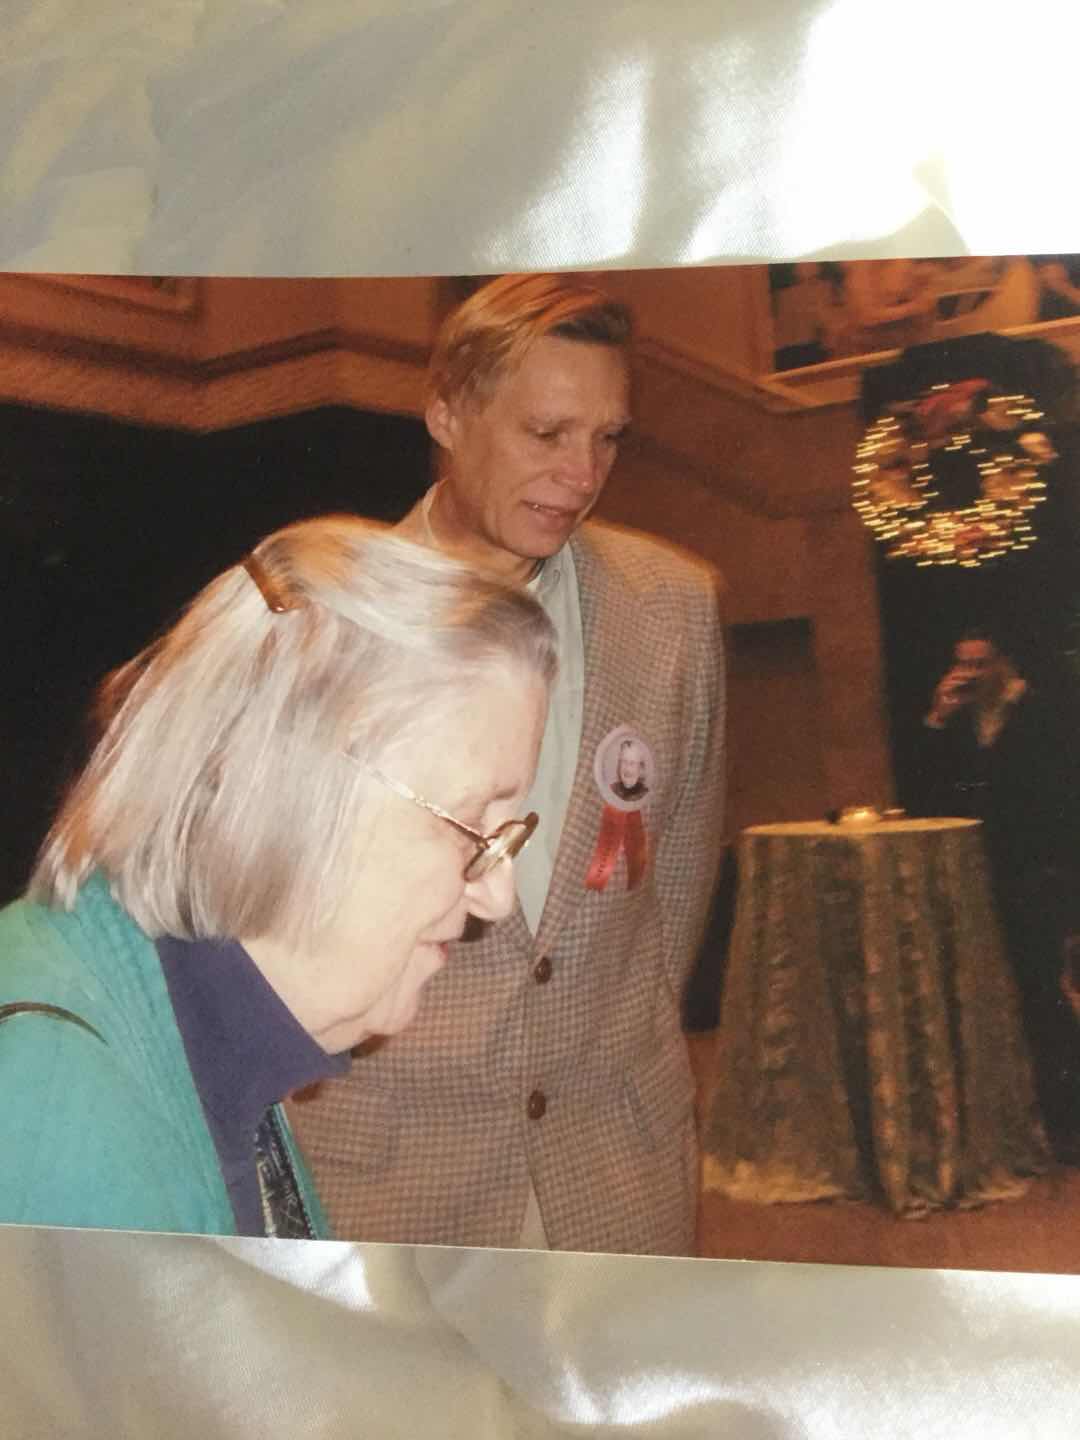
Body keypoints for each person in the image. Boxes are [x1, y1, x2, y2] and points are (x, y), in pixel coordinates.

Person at [291, 273, 726, 1255]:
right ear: (447, 412)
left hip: (614, 1164)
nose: (581, 473)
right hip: (398, 1178)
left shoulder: (674, 605)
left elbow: (681, 869)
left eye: (607, 438)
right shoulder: (316, 623)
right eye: (547, 434)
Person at [0, 515, 555, 1236]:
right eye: (472, 824)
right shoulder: (48, 1100)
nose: (497, 895)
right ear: (295, 788)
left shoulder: (214, 1029)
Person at [910, 628, 1080, 1160]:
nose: (972, 674)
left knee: (1042, 992)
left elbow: (1061, 797)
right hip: (980, 872)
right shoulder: (960, 719)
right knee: (991, 992)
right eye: (964, 664)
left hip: (1037, 872)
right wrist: (937, 719)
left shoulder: (1043, 712)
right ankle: (1013, 1116)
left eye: (981, 664)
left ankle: (1064, 1117)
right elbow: (926, 790)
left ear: (1003, 663)